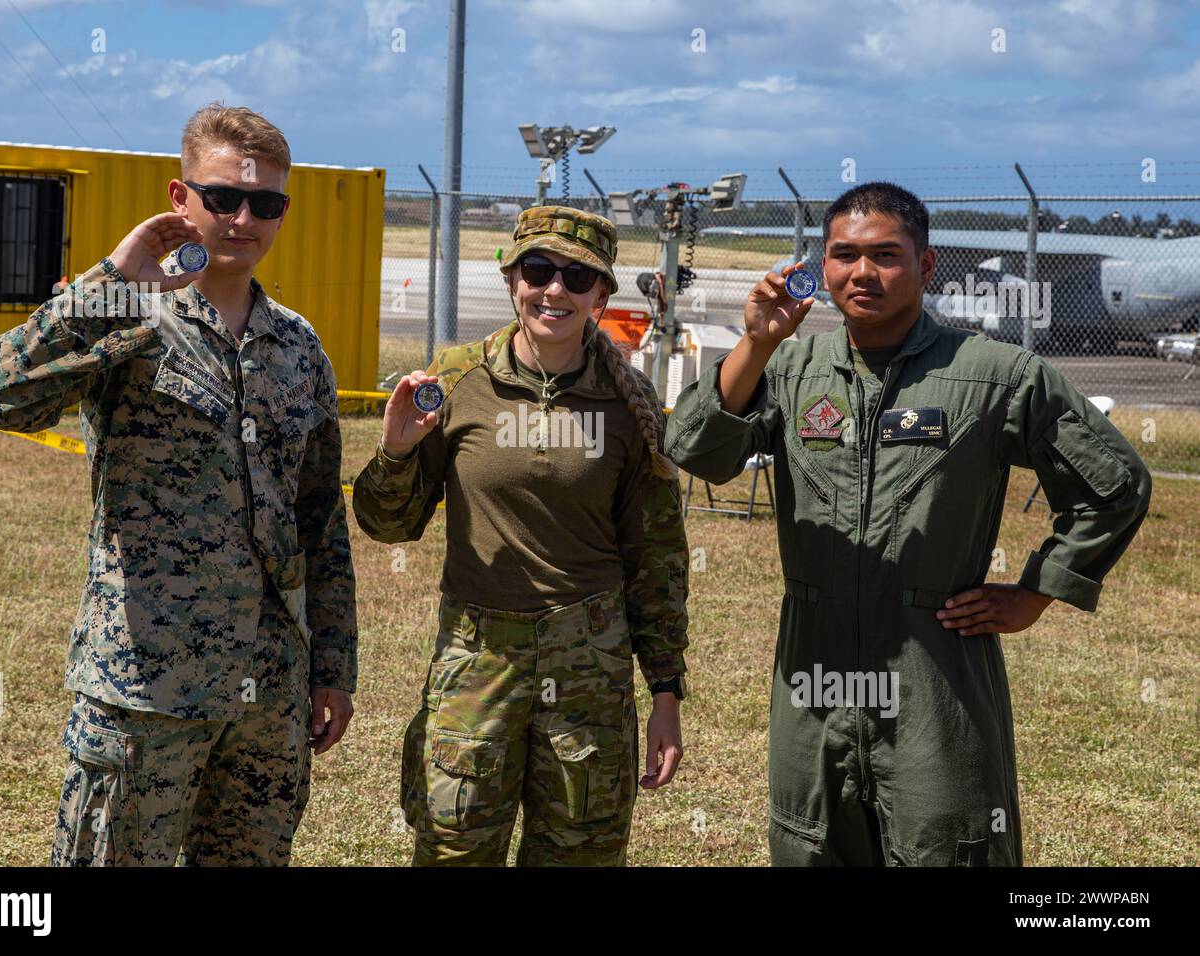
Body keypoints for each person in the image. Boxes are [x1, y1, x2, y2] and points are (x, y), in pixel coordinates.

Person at [665, 182, 1151, 866]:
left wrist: (1038, 591)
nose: (863, 272)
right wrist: (756, 343)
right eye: (845, 255)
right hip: (813, 674)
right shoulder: (790, 370)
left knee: (945, 846)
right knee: (812, 845)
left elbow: (1115, 482)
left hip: (937, 677)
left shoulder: (992, 374)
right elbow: (694, 450)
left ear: (925, 266)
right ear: (822, 267)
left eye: (886, 255)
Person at [0, 104, 357, 866]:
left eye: (265, 204)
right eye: (222, 198)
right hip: (147, 687)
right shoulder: (125, 313)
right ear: (180, 198)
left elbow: (319, 521)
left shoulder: (299, 346)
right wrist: (108, 280)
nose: (243, 219)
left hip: (267, 689)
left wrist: (332, 667)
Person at [352, 206, 690, 866]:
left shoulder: (630, 404)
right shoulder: (454, 382)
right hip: (476, 663)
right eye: (538, 270)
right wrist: (394, 453)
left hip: (589, 666)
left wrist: (667, 692)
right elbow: (388, 525)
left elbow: (656, 558)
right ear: (512, 280)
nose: (554, 290)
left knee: (580, 854)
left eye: (576, 276)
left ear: (601, 293)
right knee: (452, 850)